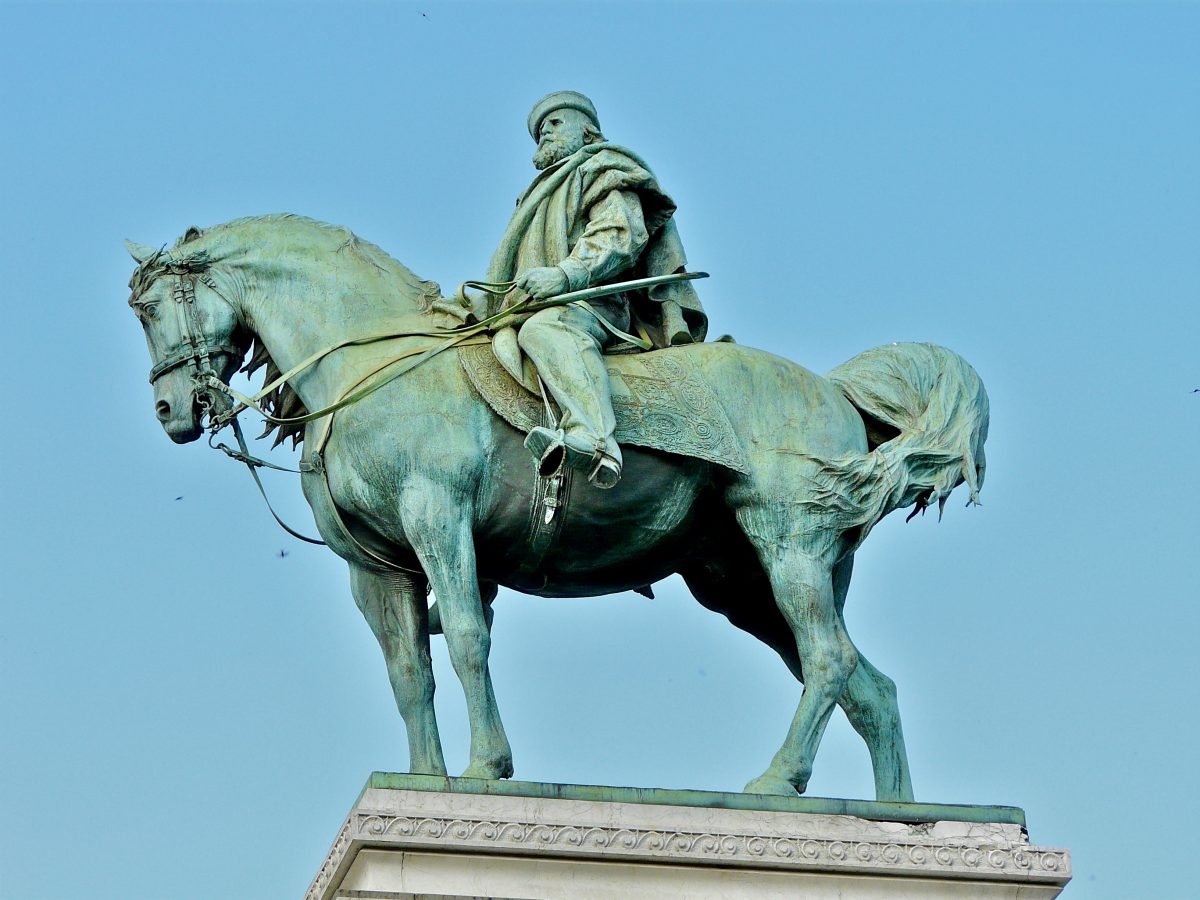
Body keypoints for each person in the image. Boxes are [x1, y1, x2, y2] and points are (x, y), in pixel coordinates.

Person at [484, 90, 707, 489]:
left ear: (587, 131)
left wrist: (565, 275)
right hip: (528, 304)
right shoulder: (534, 195)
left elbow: (620, 234)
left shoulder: (603, 167)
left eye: (555, 124)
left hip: (591, 304)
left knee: (547, 329)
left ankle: (595, 439)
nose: (545, 134)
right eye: (539, 131)